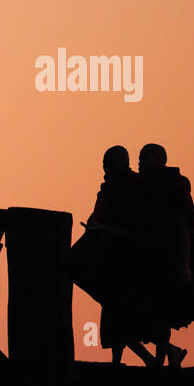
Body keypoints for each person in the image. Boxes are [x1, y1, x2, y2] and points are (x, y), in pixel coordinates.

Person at [136, 143, 194, 365]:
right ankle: (168, 354)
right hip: (152, 259)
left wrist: (185, 264)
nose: (140, 163)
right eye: (140, 158)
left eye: (145, 158)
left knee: (164, 311)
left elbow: (184, 228)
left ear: (160, 161)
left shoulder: (170, 186)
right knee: (148, 310)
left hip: (171, 260)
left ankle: (159, 361)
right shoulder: (145, 188)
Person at [68, 146, 153, 365]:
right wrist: (94, 226)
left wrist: (104, 231)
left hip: (128, 259)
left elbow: (140, 230)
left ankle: (130, 360)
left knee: (119, 310)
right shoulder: (109, 189)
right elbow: (100, 214)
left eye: (109, 166)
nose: (106, 172)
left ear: (123, 164)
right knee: (113, 307)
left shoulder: (136, 188)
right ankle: (130, 359)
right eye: (104, 167)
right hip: (107, 258)